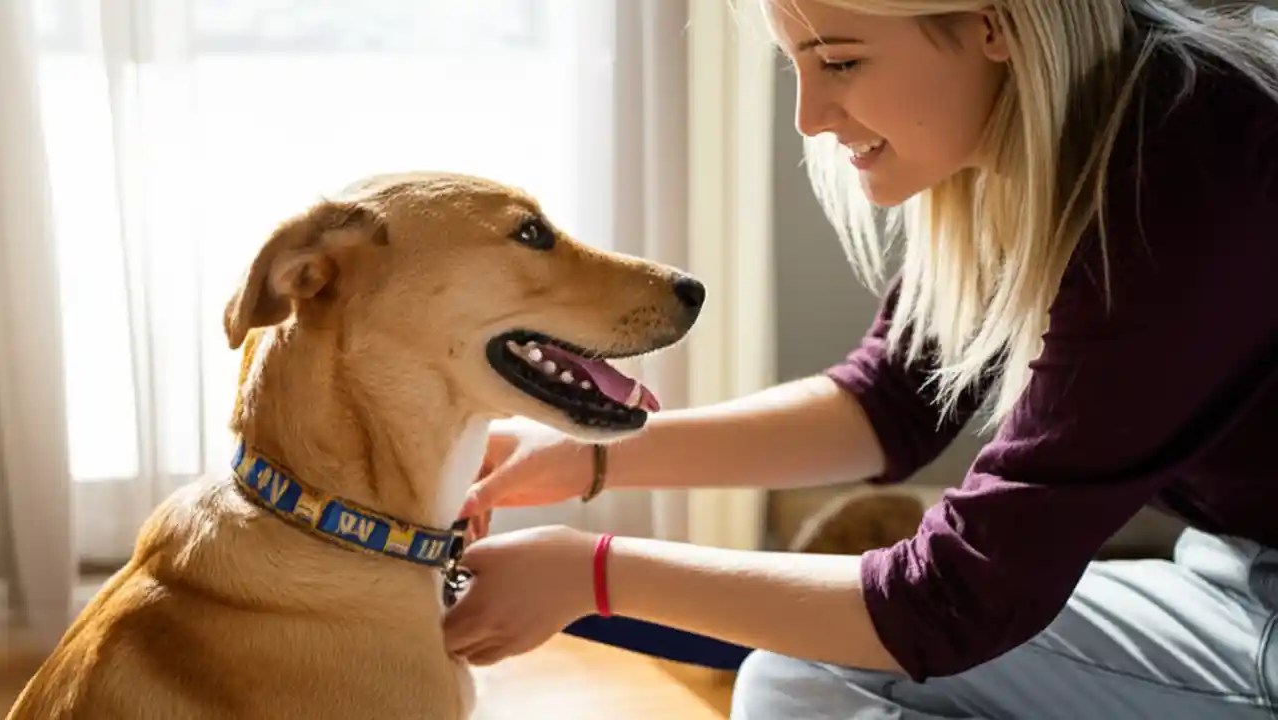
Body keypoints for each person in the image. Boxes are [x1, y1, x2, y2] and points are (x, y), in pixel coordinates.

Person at [442, 0, 1278, 717]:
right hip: (1226, 578)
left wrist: (592, 576)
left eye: (840, 61)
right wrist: (591, 455)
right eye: (796, 64)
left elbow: (953, 600)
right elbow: (891, 404)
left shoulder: (1180, 175)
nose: (809, 117)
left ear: (994, 23)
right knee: (803, 673)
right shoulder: (1084, 119)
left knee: (808, 682)